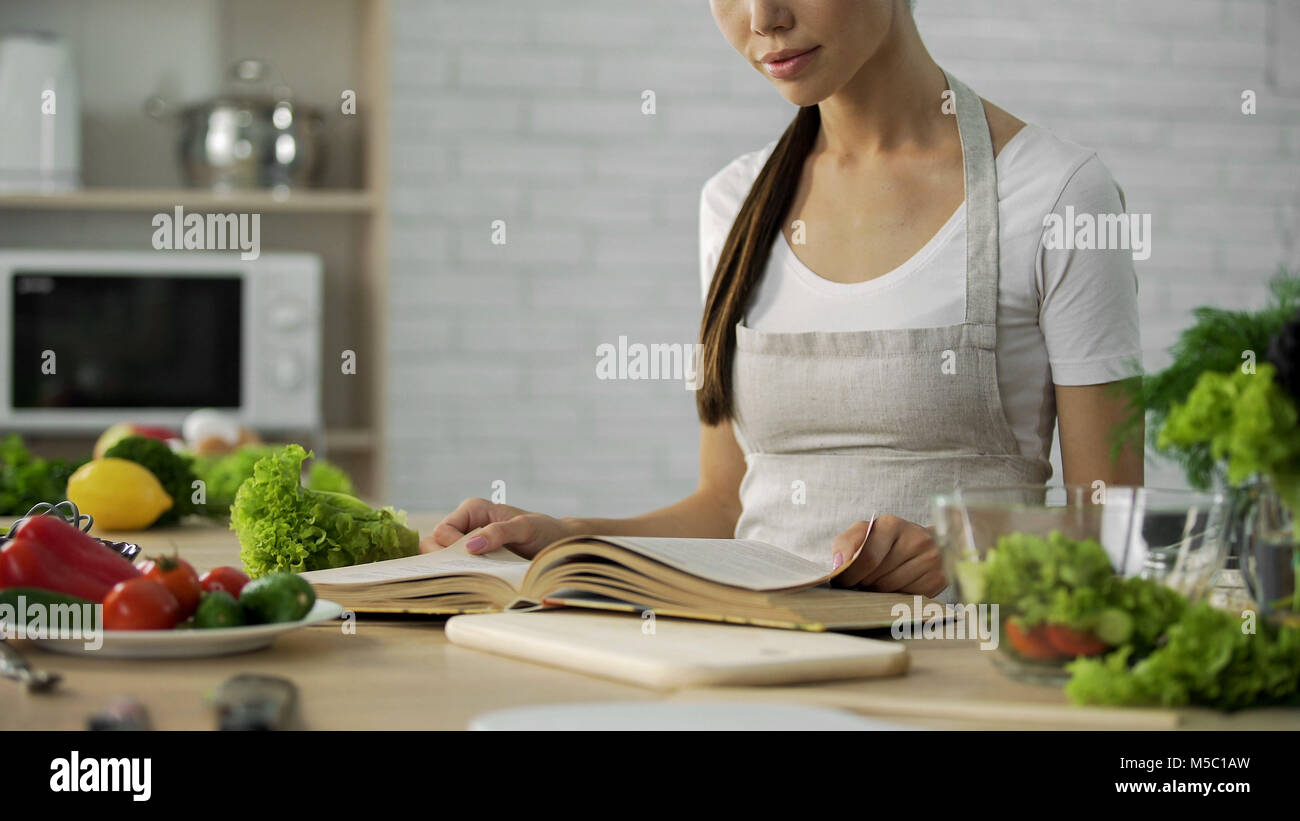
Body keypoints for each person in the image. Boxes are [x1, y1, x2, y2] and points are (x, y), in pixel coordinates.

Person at [424, 0, 1144, 600]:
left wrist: (967, 554)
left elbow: (1113, 529)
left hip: (962, 671)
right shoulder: (735, 204)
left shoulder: (1057, 195)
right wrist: (564, 537)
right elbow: (727, 507)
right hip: (756, 656)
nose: (763, 17)